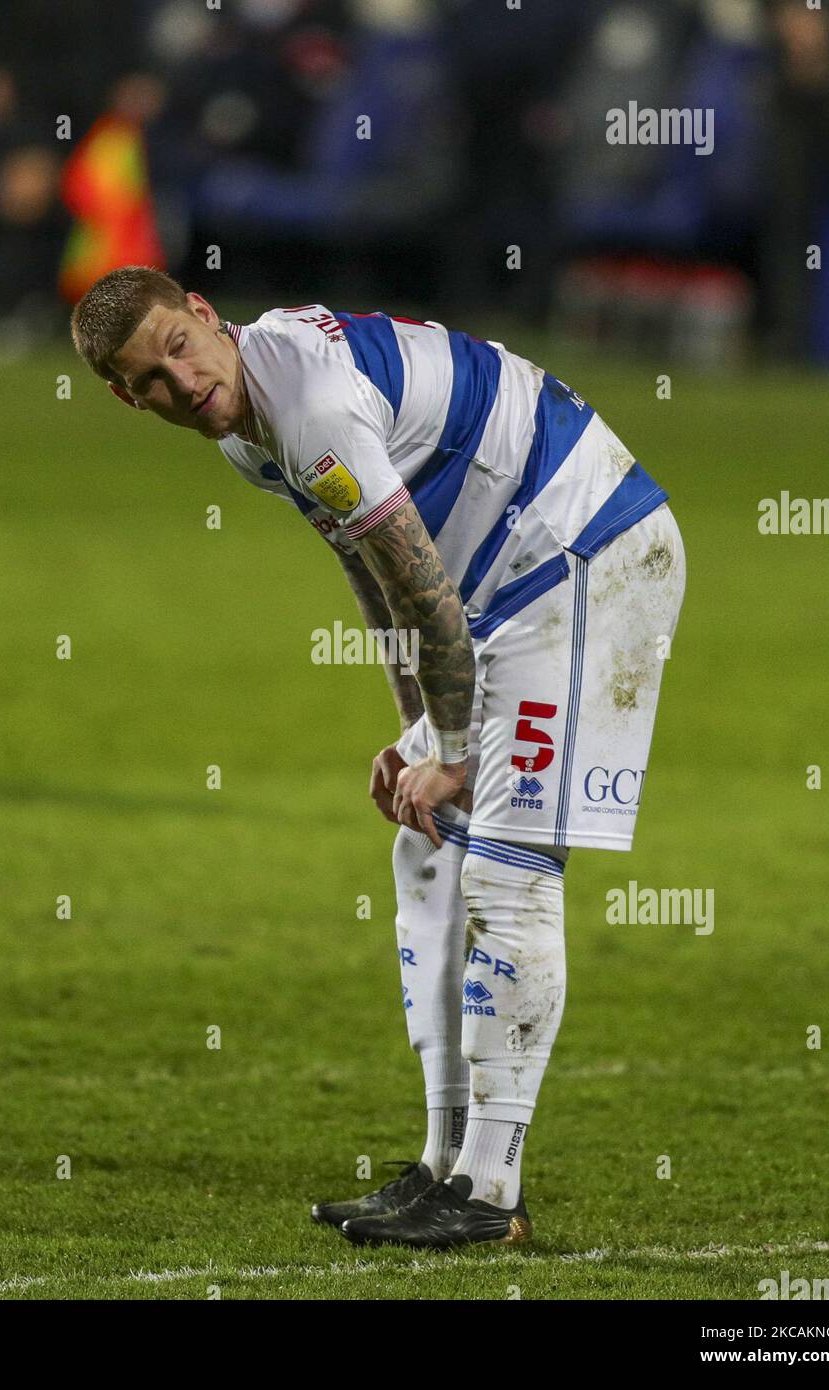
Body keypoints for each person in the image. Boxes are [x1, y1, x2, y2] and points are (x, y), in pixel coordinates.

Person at [70, 266, 686, 1249]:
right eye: (149, 380)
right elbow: (365, 563)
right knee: (429, 843)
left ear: (199, 312)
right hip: (504, 580)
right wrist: (418, 735)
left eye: (178, 349)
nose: (179, 383)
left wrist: (447, 744)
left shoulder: (303, 400)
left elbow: (420, 585)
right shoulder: (242, 426)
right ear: (123, 395)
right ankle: (442, 1160)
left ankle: (488, 1191)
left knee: (507, 868)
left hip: (583, 554)